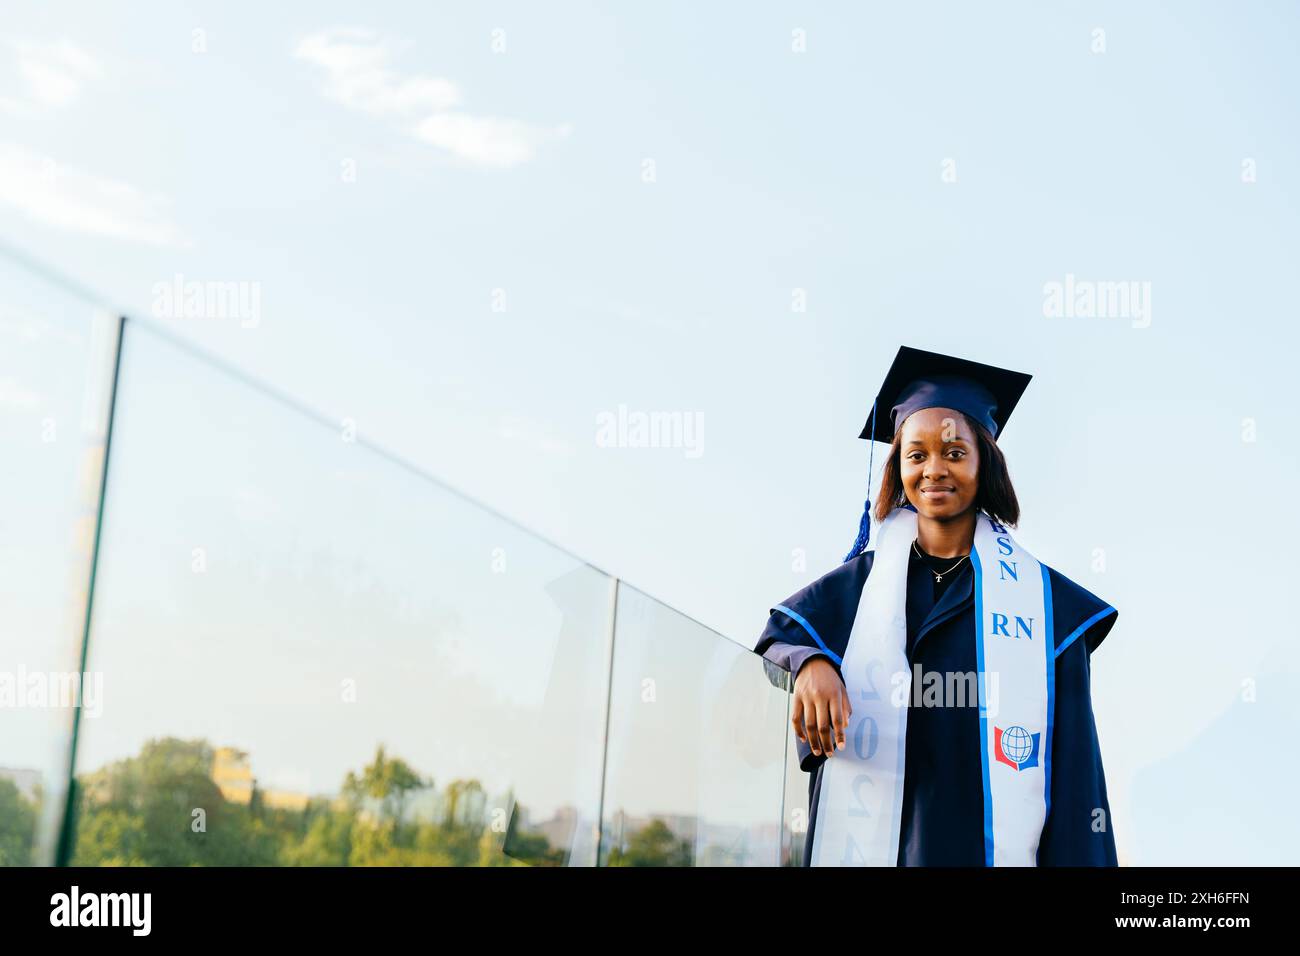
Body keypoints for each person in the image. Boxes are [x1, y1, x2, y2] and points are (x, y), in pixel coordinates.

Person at [754, 346, 1119, 866]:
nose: (934, 471)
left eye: (954, 453)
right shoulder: (862, 588)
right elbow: (780, 640)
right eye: (917, 455)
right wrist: (811, 663)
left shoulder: (1048, 608)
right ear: (898, 468)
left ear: (984, 462)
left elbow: (1076, 772)